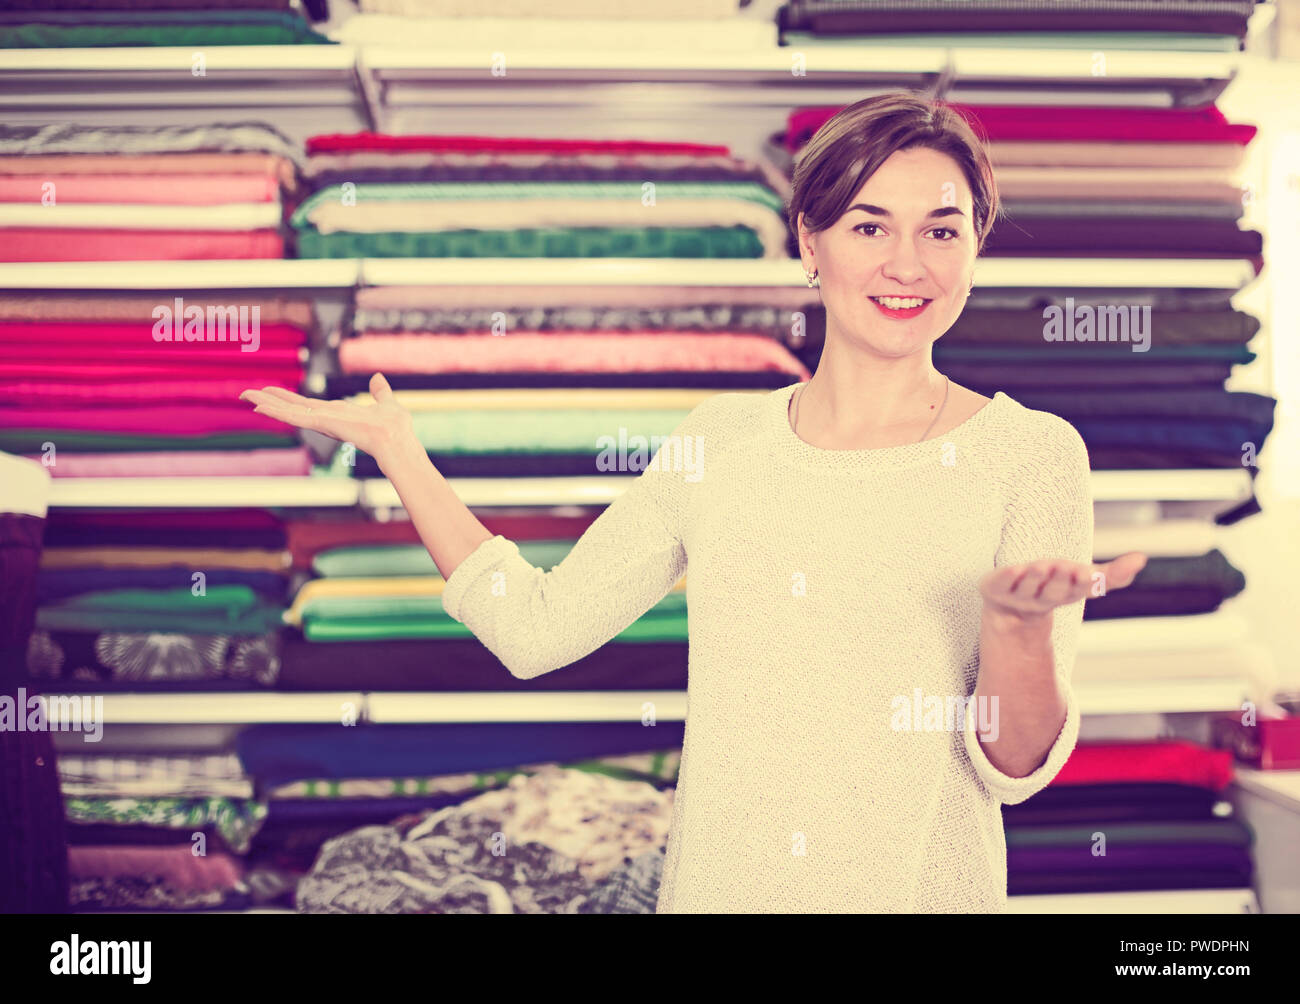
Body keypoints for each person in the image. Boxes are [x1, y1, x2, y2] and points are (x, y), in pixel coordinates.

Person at [240, 91, 1147, 913]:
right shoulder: (720, 444)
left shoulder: (1031, 456)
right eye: (869, 227)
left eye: (942, 231)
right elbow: (537, 629)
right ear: (809, 242)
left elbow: (1016, 769)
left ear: (975, 250)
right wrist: (401, 454)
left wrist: (1017, 631)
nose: (906, 263)